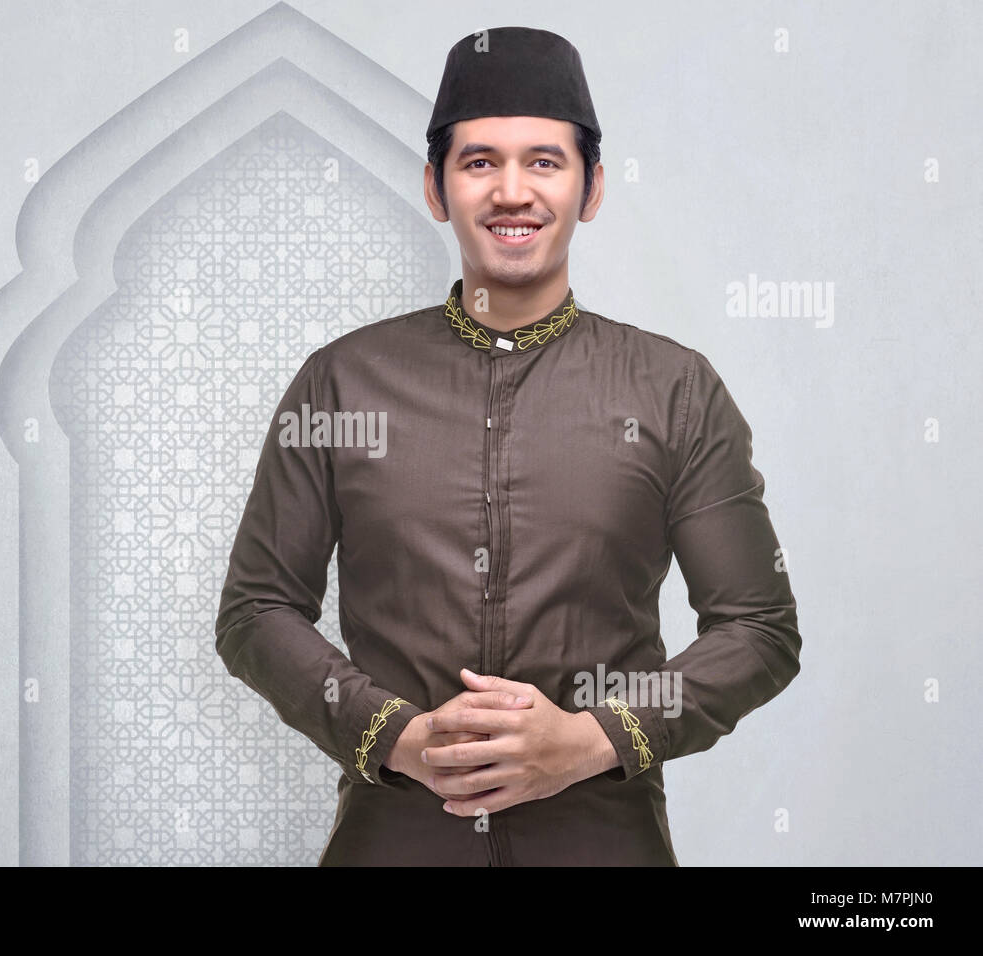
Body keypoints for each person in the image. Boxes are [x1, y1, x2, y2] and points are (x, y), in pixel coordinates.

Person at [215, 26, 801, 866]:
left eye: (545, 162)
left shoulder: (674, 388)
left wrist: (594, 738)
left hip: (606, 844)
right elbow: (256, 611)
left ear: (591, 187)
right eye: (481, 162)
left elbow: (758, 627)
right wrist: (398, 736)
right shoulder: (344, 381)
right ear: (436, 186)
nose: (512, 191)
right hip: (395, 844)